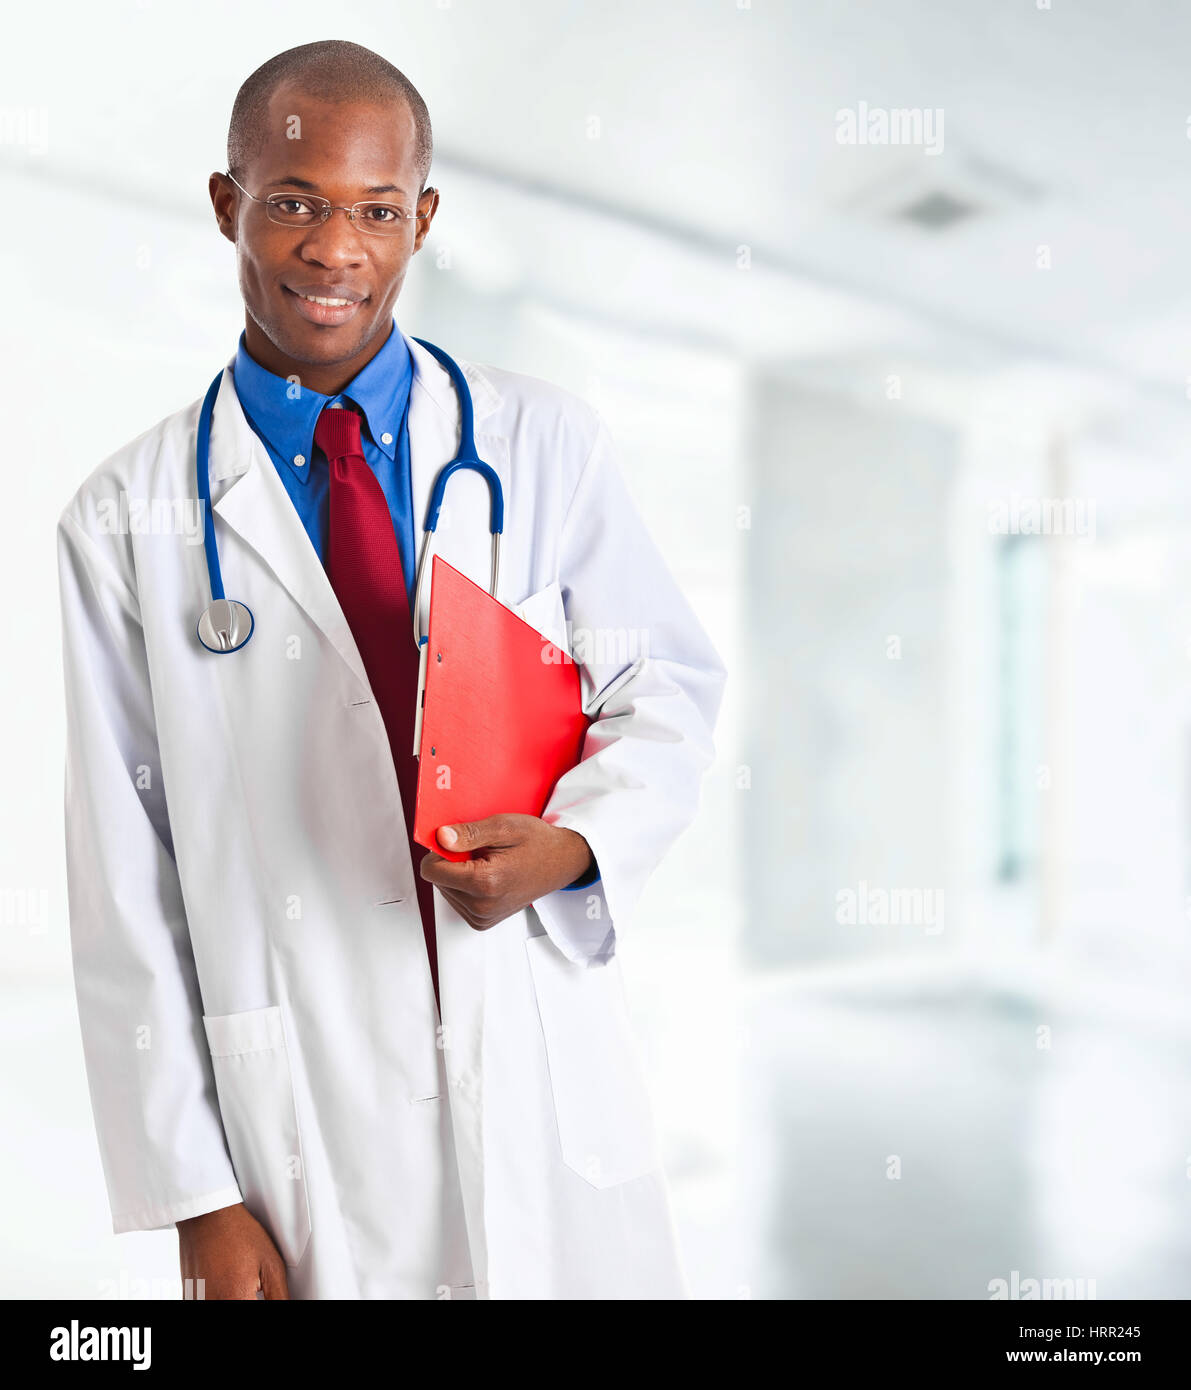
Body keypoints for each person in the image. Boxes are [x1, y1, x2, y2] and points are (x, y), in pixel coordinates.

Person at [57, 39, 726, 1300]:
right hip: (305, 1110)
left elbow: (665, 690)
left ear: (422, 219)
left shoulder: (542, 444)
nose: (334, 249)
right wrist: (197, 1194)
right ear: (228, 205)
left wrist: (574, 847)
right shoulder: (123, 519)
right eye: (293, 202)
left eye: (375, 210)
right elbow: (122, 877)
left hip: (529, 1050)